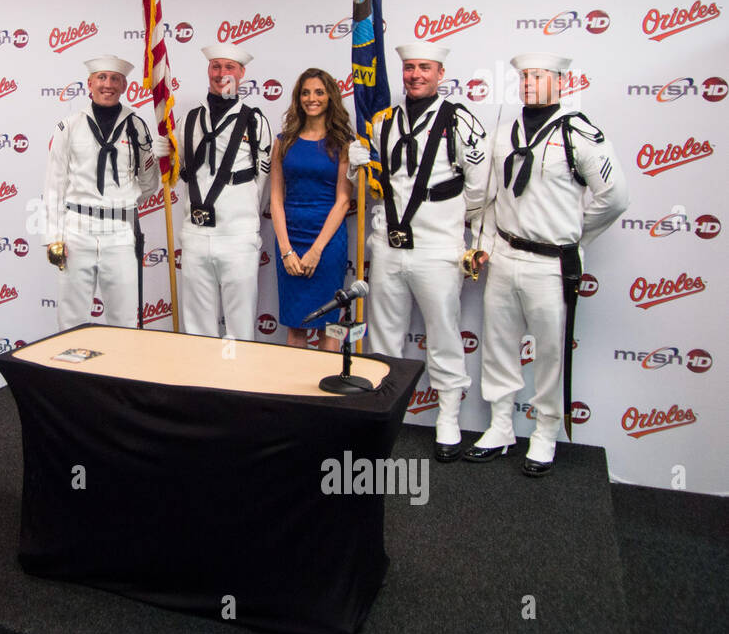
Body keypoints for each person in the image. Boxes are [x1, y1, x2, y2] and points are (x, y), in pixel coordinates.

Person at [464, 52, 628, 476]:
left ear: (561, 81)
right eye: (525, 76)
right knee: (498, 348)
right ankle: (500, 428)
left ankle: (545, 434)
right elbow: (487, 198)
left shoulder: (580, 133)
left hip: (550, 265)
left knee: (550, 353)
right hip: (504, 255)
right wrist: (482, 244)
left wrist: (574, 238)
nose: (530, 83)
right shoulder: (503, 132)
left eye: (539, 76)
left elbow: (614, 198)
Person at [350, 42, 488, 461]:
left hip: (436, 247)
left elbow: (481, 189)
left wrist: (471, 237)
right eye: (409, 68)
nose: (414, 75)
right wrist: (359, 161)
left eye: (424, 68)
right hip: (389, 246)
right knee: (386, 336)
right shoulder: (382, 122)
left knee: (444, 334)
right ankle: (385, 415)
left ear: (440, 73)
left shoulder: (460, 120)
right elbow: (378, 180)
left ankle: (448, 417)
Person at [43, 55, 157, 330]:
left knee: (125, 316)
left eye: (115, 79)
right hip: (77, 229)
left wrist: (122, 202)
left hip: (119, 230)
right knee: (72, 316)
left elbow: (148, 181)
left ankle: (118, 371)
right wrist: (53, 237)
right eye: (102, 78)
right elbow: (54, 184)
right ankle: (70, 373)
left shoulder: (136, 125)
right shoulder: (68, 126)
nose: (108, 85)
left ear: (124, 85)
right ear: (89, 84)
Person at [172, 43, 273, 340]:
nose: (221, 73)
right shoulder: (188, 120)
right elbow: (180, 175)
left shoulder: (255, 122)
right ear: (208, 71)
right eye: (216, 66)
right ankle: (198, 383)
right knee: (196, 327)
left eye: (229, 67)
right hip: (195, 235)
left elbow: (262, 184)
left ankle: (236, 383)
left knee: (240, 327)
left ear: (242, 73)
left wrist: (239, 212)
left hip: (238, 236)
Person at [269, 67, 352, 350]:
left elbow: (343, 200)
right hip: (290, 238)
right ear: (297, 97)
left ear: (330, 97)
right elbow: (276, 199)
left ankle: (326, 389)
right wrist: (286, 249)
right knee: (297, 324)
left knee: (331, 324)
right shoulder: (283, 142)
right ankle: (297, 392)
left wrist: (316, 250)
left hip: (327, 242)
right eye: (305, 92)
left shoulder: (343, 142)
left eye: (319, 92)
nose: (311, 98)